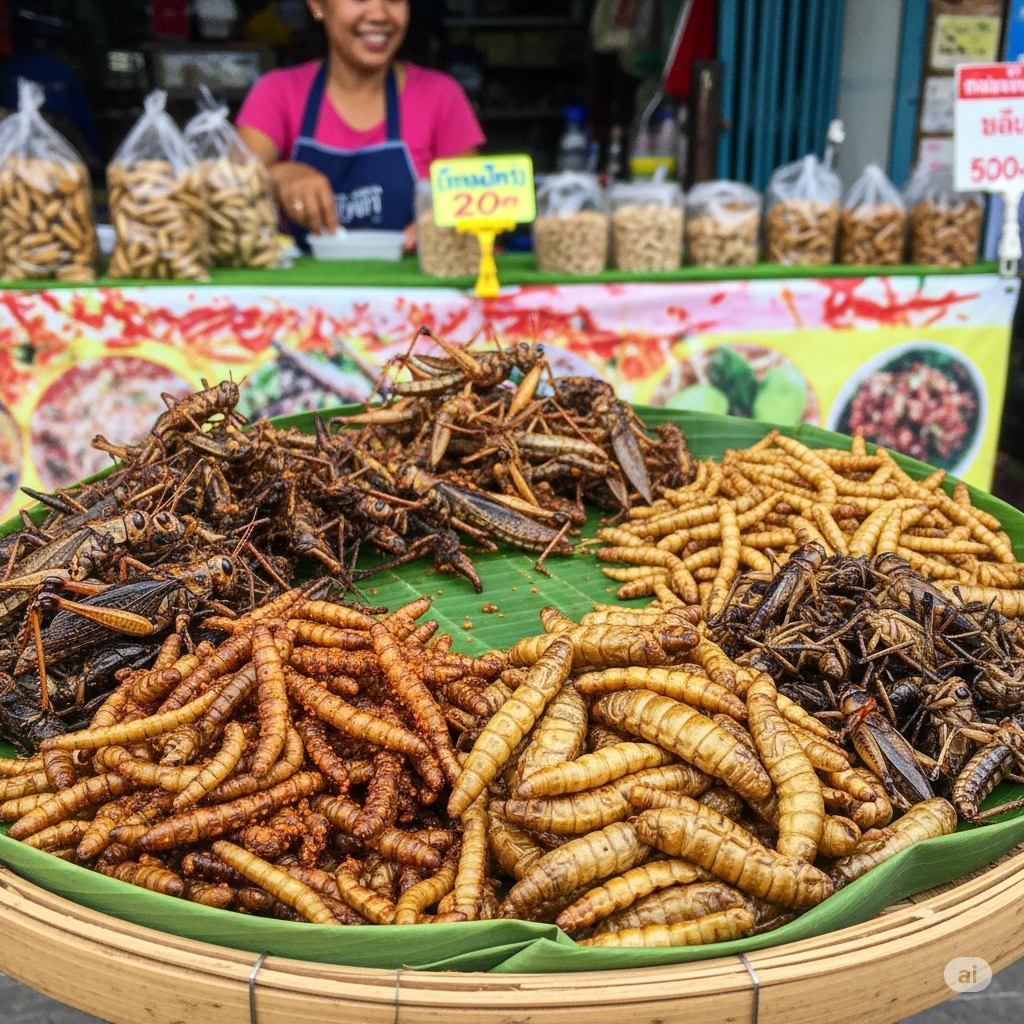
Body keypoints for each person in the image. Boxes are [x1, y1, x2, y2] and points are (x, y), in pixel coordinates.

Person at [236, 0, 484, 250]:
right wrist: (279, 176)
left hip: (408, 274)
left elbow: (475, 206)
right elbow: (229, 190)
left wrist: (440, 226)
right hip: (303, 276)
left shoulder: (441, 96)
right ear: (317, 5)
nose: (379, 15)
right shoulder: (276, 93)